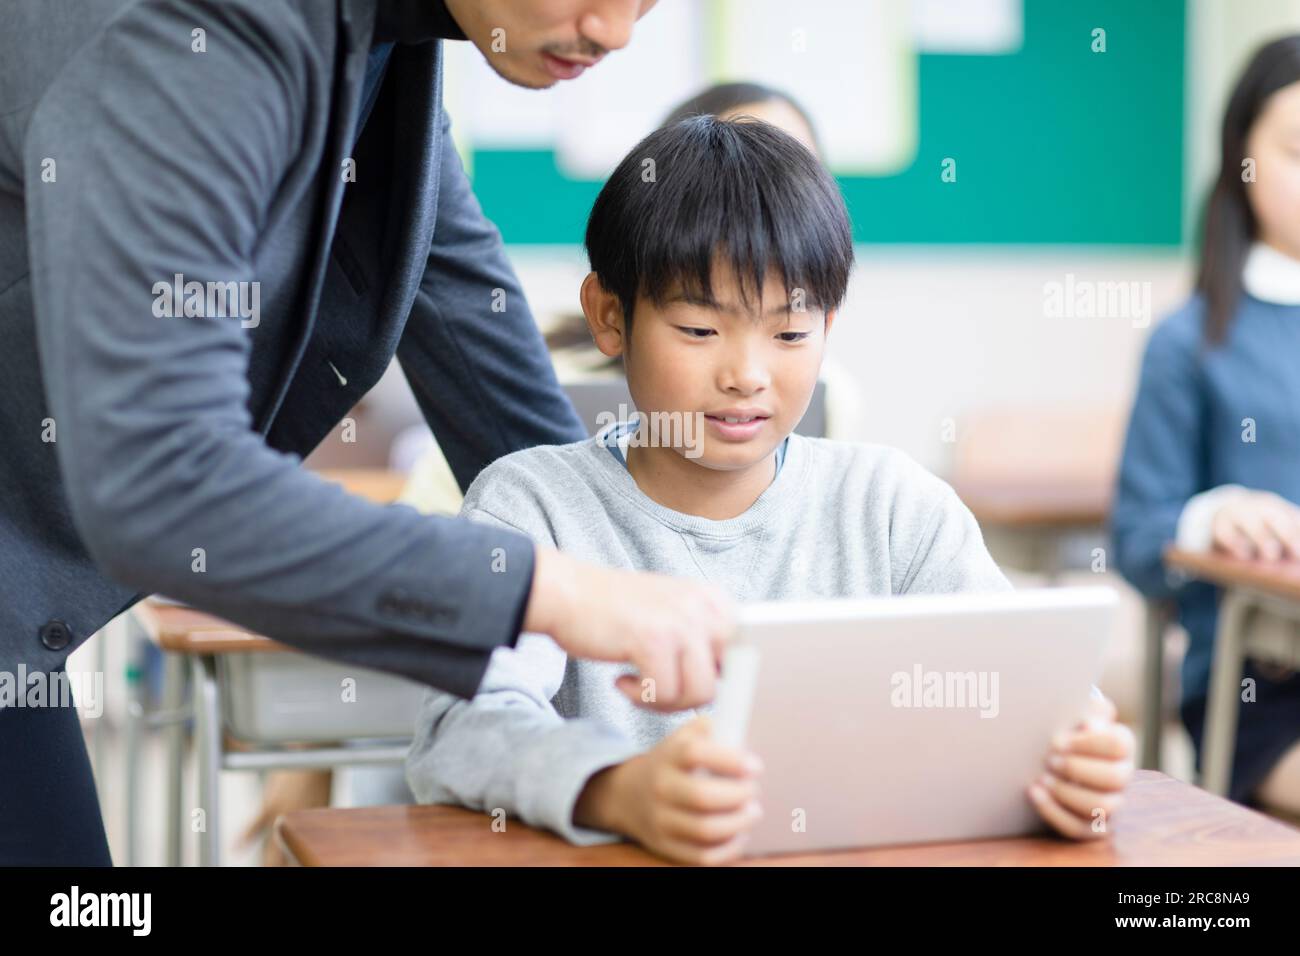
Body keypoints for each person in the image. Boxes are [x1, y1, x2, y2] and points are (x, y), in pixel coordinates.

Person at [0, 0, 732, 866]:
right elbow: (161, 480)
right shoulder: (212, 26)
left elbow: (471, 326)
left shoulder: (388, 46)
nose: (616, 29)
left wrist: (636, 588)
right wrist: (555, 591)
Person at [407, 116, 1136, 864]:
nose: (747, 374)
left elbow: (1034, 694)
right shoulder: (532, 507)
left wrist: (1079, 758)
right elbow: (458, 732)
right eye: (698, 329)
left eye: (789, 334)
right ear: (609, 315)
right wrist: (617, 788)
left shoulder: (891, 508)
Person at [1112, 36, 1300, 816]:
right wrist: (1215, 514)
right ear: (1242, 160)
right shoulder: (1189, 342)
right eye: (1295, 150)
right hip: (1263, 690)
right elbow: (1135, 539)